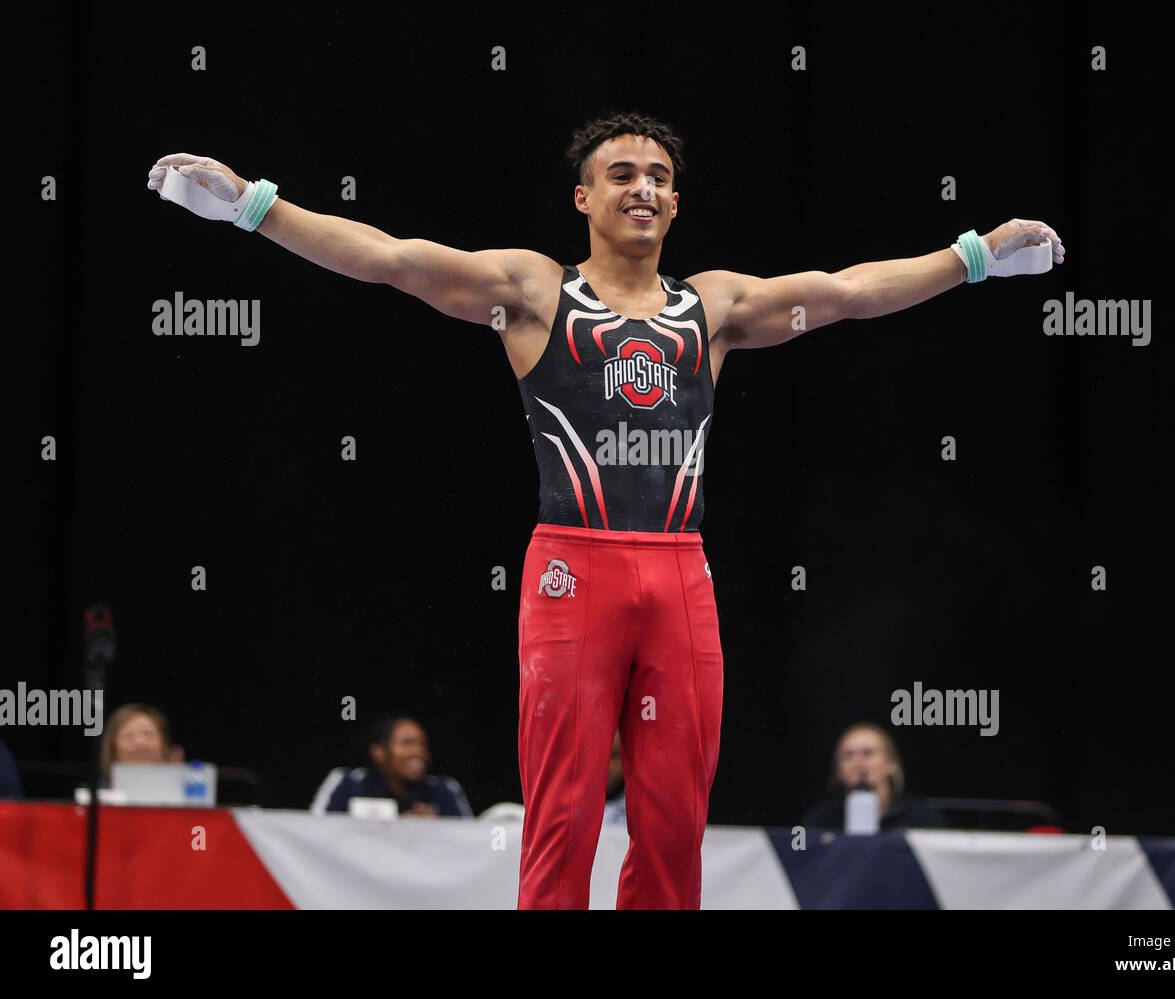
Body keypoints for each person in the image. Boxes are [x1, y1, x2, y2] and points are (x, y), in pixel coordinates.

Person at [147, 111, 1063, 909]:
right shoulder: (536, 289)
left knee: (673, 824)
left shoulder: (715, 305)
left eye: (660, 177)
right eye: (622, 173)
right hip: (570, 571)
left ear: (676, 203)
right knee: (564, 816)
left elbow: (850, 292)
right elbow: (391, 260)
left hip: (679, 574)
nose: (644, 188)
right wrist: (250, 206)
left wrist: (975, 257)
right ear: (582, 196)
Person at [802, 722, 947, 832]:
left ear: (891, 763)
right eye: (848, 755)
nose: (857, 762)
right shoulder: (819, 822)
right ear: (838, 769)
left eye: (868, 753)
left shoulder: (922, 821)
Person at [324, 715, 472, 818]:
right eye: (407, 743)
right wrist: (398, 828)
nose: (419, 752)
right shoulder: (348, 783)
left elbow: (469, 843)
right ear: (379, 752)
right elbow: (314, 836)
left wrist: (436, 829)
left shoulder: (444, 789)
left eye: (423, 745)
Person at [99, 703, 184, 785]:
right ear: (113, 748)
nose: (140, 742)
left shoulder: (185, 793)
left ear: (164, 745)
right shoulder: (98, 795)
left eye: (148, 734)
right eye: (128, 736)